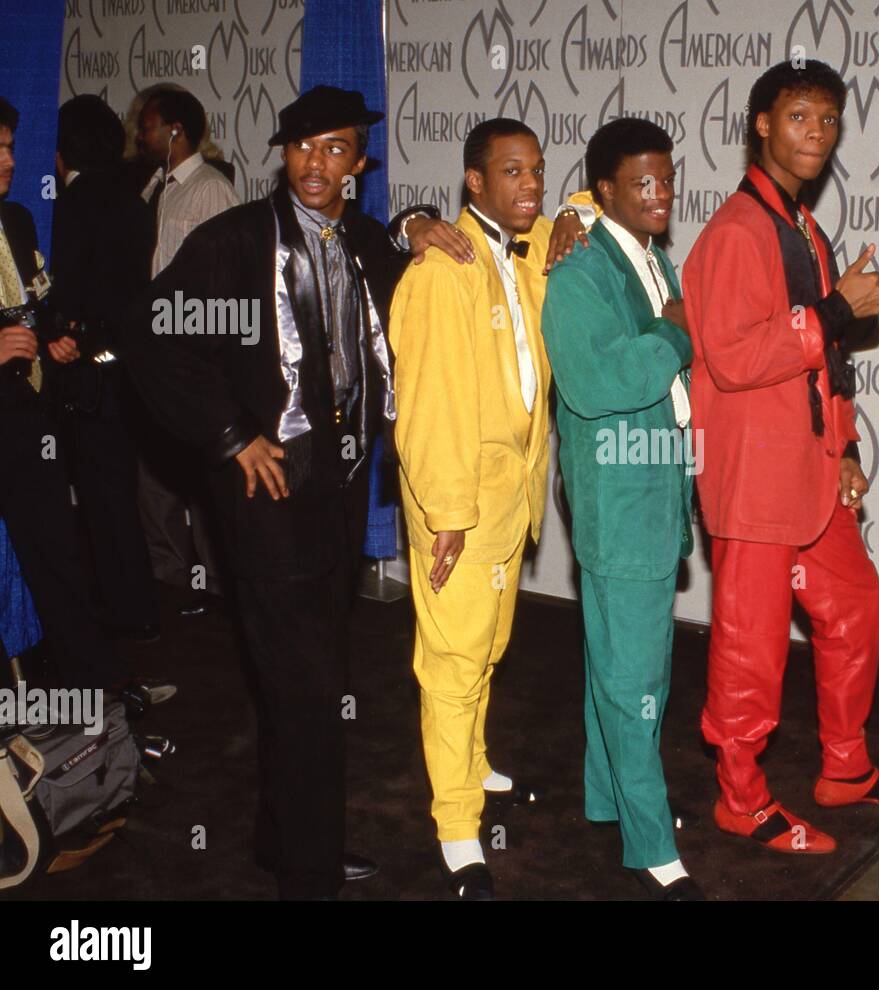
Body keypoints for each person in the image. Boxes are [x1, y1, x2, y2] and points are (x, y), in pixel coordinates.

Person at [122, 86, 403, 900]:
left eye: (338, 149)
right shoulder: (236, 242)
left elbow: (410, 284)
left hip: (339, 493)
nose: (318, 164)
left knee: (305, 682)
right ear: (282, 153)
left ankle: (288, 842)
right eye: (305, 147)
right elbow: (152, 336)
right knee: (308, 687)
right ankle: (309, 875)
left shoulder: (364, 240)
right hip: (267, 501)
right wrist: (227, 435)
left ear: (357, 163)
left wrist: (419, 221)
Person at [682, 60, 879, 855]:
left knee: (854, 606)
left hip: (814, 473)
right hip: (755, 479)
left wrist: (848, 444)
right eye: (798, 118)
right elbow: (734, 359)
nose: (816, 134)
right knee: (751, 647)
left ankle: (846, 769)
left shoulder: (804, 230)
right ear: (762, 125)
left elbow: (829, 359)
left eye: (828, 120)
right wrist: (835, 308)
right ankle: (742, 799)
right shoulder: (734, 233)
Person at [389, 117, 593, 900]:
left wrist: (571, 210)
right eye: (513, 173)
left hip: (512, 496)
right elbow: (427, 405)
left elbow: (591, 203)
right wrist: (445, 511)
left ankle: (471, 762)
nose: (531, 186)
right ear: (474, 182)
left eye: (538, 171)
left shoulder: (538, 238)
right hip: (459, 502)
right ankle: (456, 825)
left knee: (487, 648)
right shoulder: (442, 269)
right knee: (450, 664)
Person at [539, 118, 703, 900]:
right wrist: (675, 339)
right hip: (619, 494)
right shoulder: (577, 272)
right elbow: (597, 383)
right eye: (642, 182)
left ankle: (608, 801)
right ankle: (653, 845)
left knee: (624, 660)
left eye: (667, 179)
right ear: (604, 189)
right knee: (637, 672)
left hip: (652, 487)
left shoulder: (648, 252)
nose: (660, 193)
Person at [0, 96, 137, 702]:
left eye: (9, 147)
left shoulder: (19, 221)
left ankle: (96, 702)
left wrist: (54, 336)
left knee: (59, 555)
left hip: (28, 417)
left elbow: (39, 299)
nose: (9, 160)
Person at [48, 94, 160, 641]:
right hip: (127, 371)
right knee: (118, 492)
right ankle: (137, 608)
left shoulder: (67, 208)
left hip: (82, 370)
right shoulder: (133, 204)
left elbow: (65, 293)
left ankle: (119, 612)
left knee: (94, 498)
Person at [133, 86, 239, 609]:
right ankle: (171, 578)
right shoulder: (157, 186)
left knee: (205, 476)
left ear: (175, 130)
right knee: (158, 472)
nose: (141, 135)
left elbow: (227, 279)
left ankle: (216, 584)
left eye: (149, 125)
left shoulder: (211, 189)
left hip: (196, 352)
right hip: (160, 351)